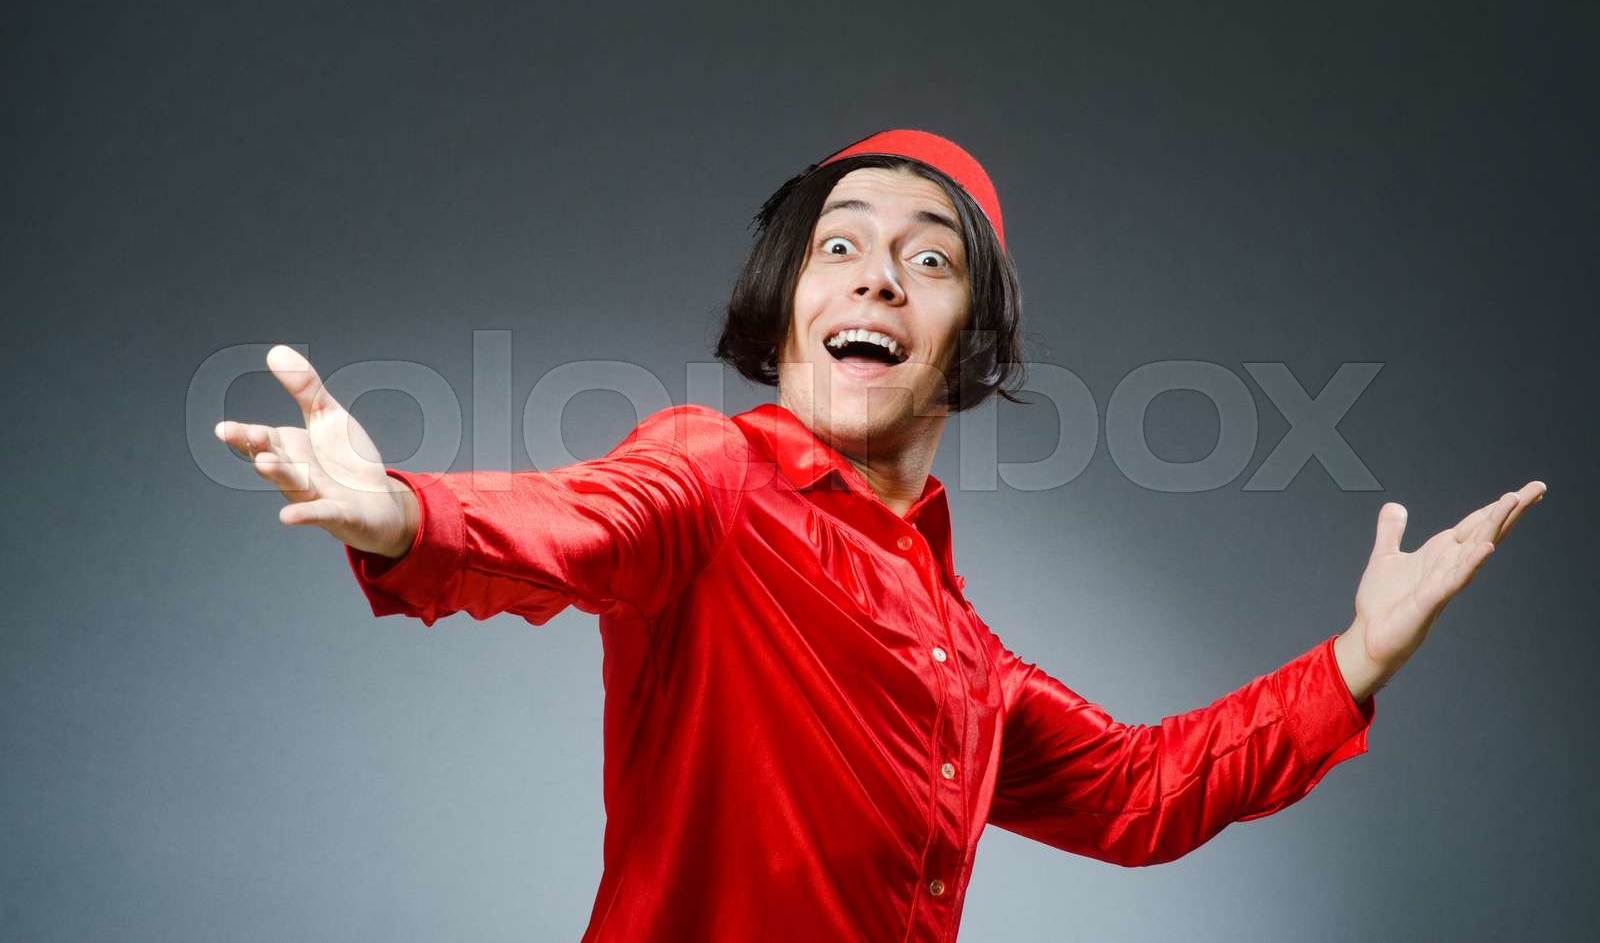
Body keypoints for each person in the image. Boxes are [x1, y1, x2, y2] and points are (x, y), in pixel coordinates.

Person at [214, 129, 1546, 941]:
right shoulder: (715, 476)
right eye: (838, 247)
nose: (875, 275)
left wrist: (1355, 660)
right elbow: (580, 523)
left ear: (969, 335)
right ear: (784, 308)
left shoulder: (971, 664)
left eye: (928, 258)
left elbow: (1142, 793)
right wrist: (406, 514)